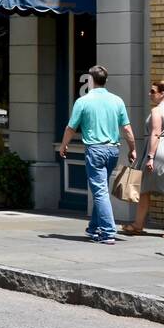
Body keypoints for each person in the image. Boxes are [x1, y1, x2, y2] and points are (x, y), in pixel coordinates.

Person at [58, 64, 136, 245]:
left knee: (99, 191)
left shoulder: (83, 101)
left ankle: (108, 232)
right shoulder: (117, 100)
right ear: (105, 80)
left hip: (95, 150)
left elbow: (71, 128)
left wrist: (64, 145)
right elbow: (127, 129)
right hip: (113, 151)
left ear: (90, 80)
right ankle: (93, 228)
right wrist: (132, 148)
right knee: (100, 189)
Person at [122, 79, 164, 238]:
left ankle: (137, 225)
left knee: (144, 189)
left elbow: (155, 134)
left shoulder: (157, 111)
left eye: (152, 91)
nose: (149, 94)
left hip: (158, 151)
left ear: (162, 94)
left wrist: (150, 157)